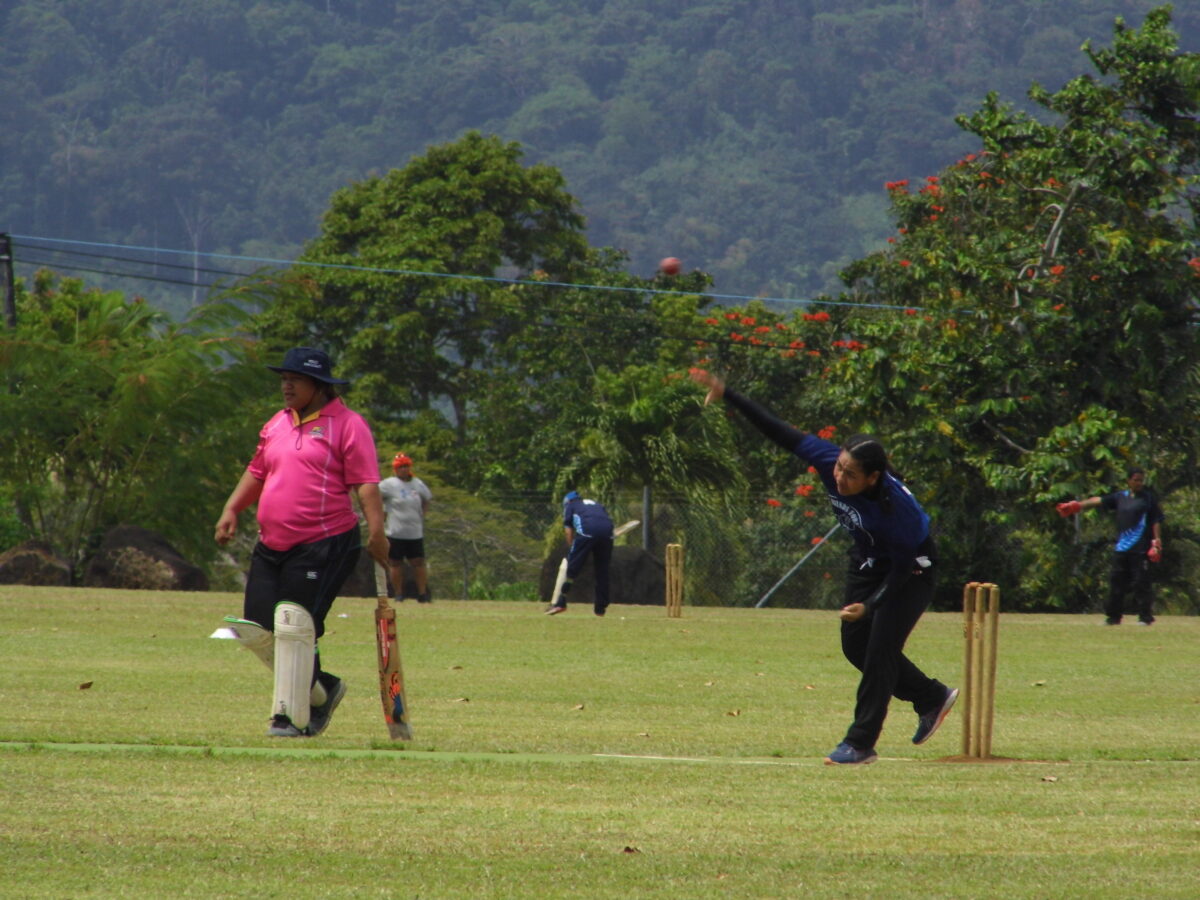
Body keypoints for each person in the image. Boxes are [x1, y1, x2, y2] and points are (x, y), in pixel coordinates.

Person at [688, 368, 957, 765]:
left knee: (881, 647)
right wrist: (728, 393)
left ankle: (860, 743)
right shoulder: (831, 460)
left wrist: (871, 606)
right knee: (855, 646)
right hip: (867, 561)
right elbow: (778, 431)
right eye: (839, 468)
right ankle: (930, 696)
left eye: (850, 474)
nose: (839, 476)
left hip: (910, 568)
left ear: (873, 477)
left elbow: (902, 570)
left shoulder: (900, 513)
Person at [214, 346, 389, 738]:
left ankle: (288, 717)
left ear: (319, 385)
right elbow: (257, 471)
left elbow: (366, 485)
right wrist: (232, 508)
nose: (286, 385)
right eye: (283, 379)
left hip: (324, 543)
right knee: (256, 628)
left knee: (293, 623)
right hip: (271, 543)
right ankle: (322, 689)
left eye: (295, 379)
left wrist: (378, 534)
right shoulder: (277, 423)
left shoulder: (347, 424)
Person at [1056, 467, 1165, 625]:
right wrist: (1077, 506)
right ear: (1129, 481)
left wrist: (1156, 542)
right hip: (1122, 549)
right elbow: (1097, 500)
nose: (1139, 483)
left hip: (1140, 549)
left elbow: (1156, 520)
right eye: (1136, 480)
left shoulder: (1148, 499)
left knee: (1141, 583)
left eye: (1141, 480)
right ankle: (1113, 618)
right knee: (1116, 585)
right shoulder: (1120, 497)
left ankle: (1145, 618)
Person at [547, 491, 614, 617]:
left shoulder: (570, 506)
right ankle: (600, 609)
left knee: (571, 570)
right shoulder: (597, 505)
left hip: (587, 533)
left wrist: (572, 548)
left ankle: (560, 602)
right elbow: (604, 520)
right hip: (608, 534)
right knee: (602, 572)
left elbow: (568, 531)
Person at [379, 452, 434, 603]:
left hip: (414, 532)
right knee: (396, 563)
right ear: (395, 469)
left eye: (405, 466)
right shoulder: (388, 484)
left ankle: (422, 594)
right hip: (395, 531)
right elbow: (375, 496)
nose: (403, 469)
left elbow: (427, 498)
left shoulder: (417, 483)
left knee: (418, 562)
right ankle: (398, 594)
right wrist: (381, 516)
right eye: (400, 467)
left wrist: (423, 514)